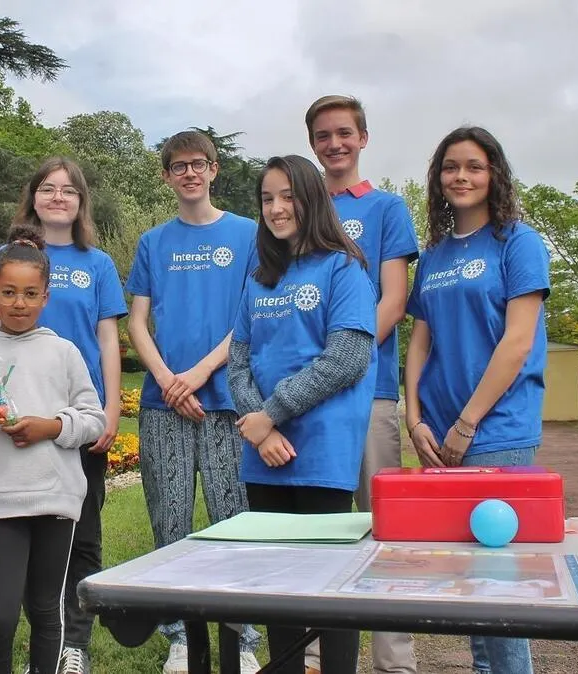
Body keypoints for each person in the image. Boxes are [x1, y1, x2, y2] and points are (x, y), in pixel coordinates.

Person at [405, 127, 549, 674]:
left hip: (498, 430)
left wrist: (467, 422)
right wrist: (414, 417)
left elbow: (516, 343)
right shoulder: (435, 255)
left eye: (474, 166)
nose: (460, 177)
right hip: (438, 434)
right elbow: (420, 340)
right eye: (450, 167)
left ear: (494, 176)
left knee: (499, 585)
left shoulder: (518, 242)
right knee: (465, 576)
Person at [228, 154, 377, 674]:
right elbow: (238, 360)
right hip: (264, 454)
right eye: (267, 198)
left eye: (287, 196)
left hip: (322, 452)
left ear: (311, 198)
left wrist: (272, 413)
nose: (276, 208)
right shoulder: (257, 277)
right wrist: (258, 423)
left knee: (332, 589)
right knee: (277, 584)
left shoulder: (344, 267)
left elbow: (349, 357)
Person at [0, 158, 128, 674]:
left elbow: (109, 338)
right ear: (33, 197)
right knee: (21, 534)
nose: (58, 197)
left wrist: (110, 407)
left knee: (81, 534)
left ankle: (73, 644)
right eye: (48, 188)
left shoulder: (98, 262)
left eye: (68, 190)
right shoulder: (7, 257)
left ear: (81, 200)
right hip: (16, 419)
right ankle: (32, 631)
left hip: (77, 415)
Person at [125, 130, 261, 674]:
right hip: (164, 406)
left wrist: (199, 374)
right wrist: (167, 379)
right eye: (178, 166)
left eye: (198, 164)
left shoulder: (248, 235)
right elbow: (137, 320)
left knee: (233, 517)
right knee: (171, 520)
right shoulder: (153, 242)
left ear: (214, 169)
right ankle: (181, 634)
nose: (189, 174)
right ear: (166, 175)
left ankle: (242, 636)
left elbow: (251, 316)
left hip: (228, 401)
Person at [0, 227, 106, 674]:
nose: (19, 303)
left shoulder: (64, 351)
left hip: (56, 498)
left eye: (30, 293)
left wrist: (50, 427)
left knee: (45, 609)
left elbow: (94, 418)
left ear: (46, 296)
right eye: (9, 292)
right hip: (1, 502)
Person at [304, 95, 419, 674]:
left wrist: (338, 360)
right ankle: (320, 653)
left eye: (344, 133)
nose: (334, 144)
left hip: (368, 394)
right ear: (312, 145)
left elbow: (394, 300)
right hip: (309, 403)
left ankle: (394, 661)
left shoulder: (387, 209)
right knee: (323, 533)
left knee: (384, 529)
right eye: (323, 136)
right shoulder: (297, 208)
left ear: (363, 138)